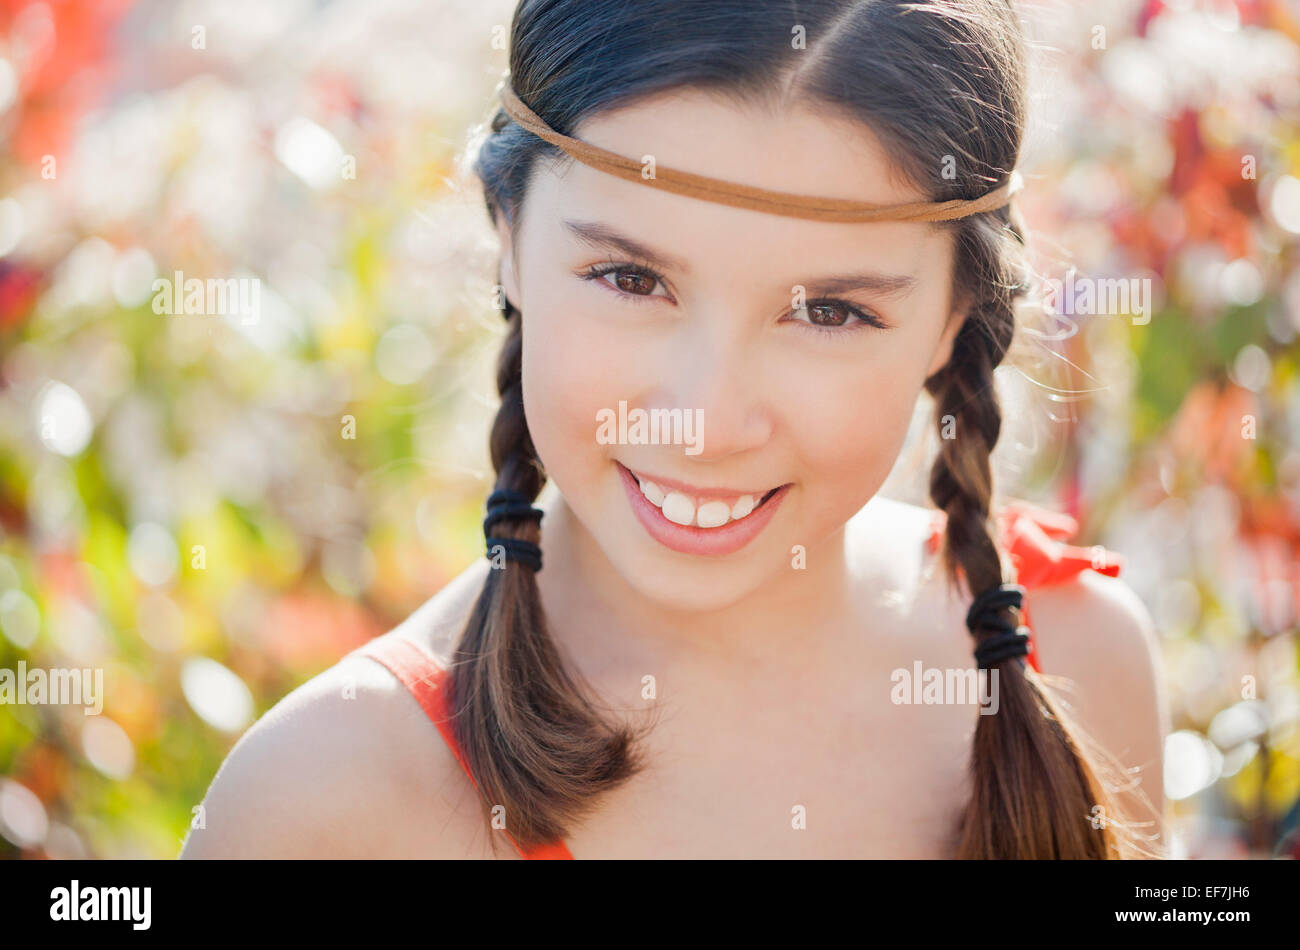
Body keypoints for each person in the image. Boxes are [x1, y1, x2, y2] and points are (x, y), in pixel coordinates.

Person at [182, 0, 1166, 860]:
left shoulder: (1072, 667)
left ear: (954, 318)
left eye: (827, 311)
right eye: (631, 278)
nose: (706, 425)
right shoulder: (327, 795)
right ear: (508, 240)